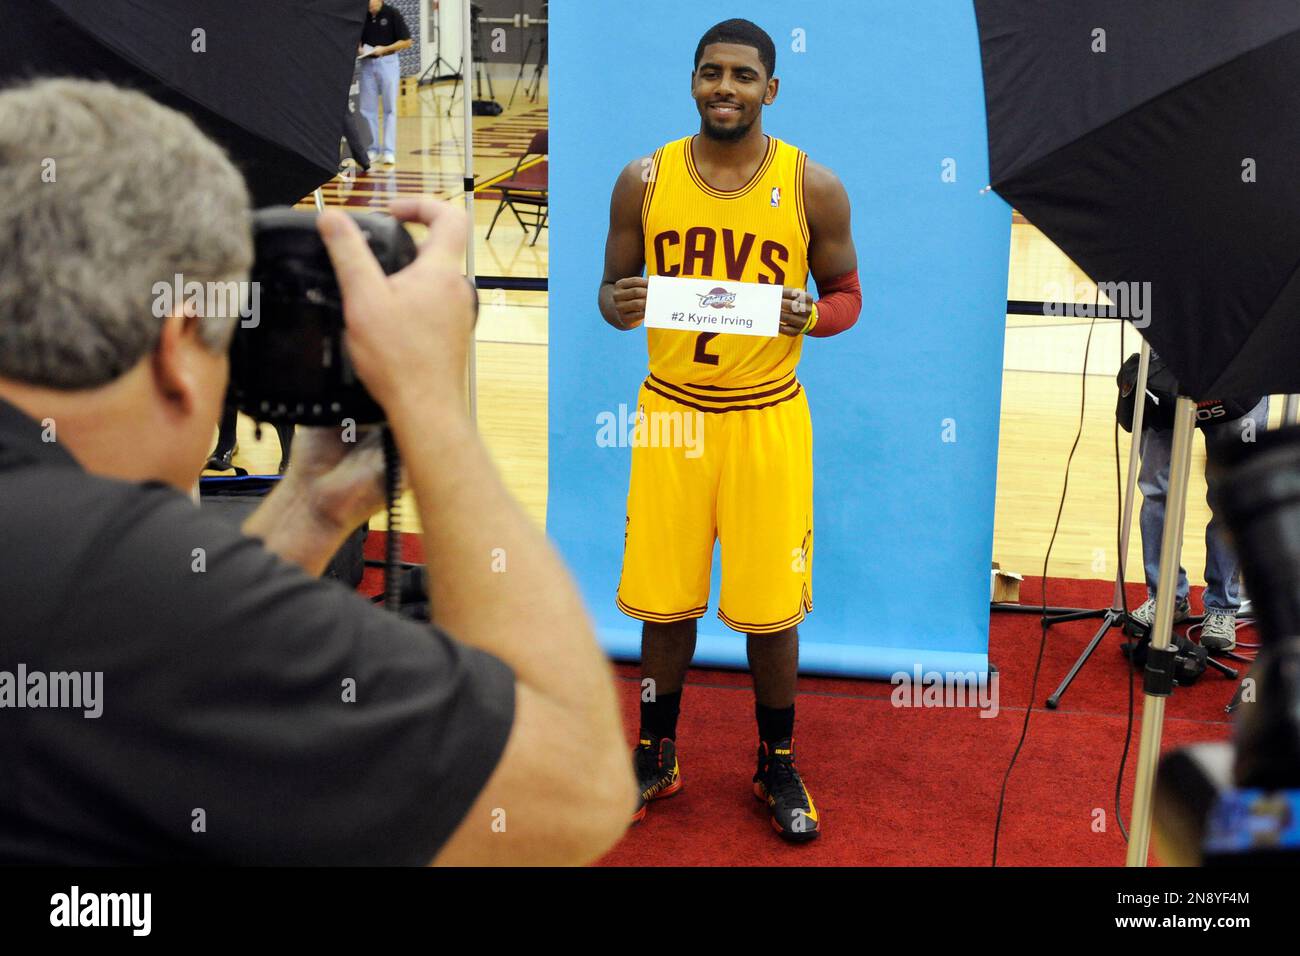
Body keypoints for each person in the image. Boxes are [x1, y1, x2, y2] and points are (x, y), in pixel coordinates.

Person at [0, 78, 633, 865]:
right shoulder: (94, 571)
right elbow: (575, 787)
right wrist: (430, 403)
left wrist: (309, 507)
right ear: (178, 342)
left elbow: (171, 665)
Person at [597, 19, 861, 842]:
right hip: (672, 412)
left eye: (743, 75)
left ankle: (776, 760)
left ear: (770, 90)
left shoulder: (812, 185)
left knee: (772, 609)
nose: (725, 86)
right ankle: (655, 751)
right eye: (710, 72)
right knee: (664, 603)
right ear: (692, 81)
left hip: (765, 419)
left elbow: (849, 295)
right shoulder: (642, 178)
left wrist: (811, 314)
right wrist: (621, 303)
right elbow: (609, 292)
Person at [1134, 385, 1269, 652]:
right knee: (1157, 491)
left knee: (1230, 493)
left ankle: (1222, 606)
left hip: (1240, 368)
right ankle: (1166, 598)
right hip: (1169, 367)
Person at [359, 0, 413, 166]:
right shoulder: (362, 15)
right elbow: (355, 38)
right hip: (367, 63)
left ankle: (389, 150)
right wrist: (360, 49)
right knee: (367, 109)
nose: (370, 6)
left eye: (373, 3)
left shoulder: (392, 14)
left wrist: (385, 48)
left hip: (388, 62)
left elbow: (406, 41)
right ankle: (372, 147)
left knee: (390, 108)